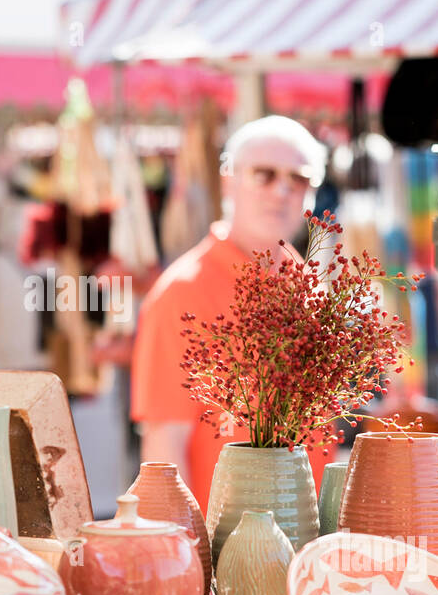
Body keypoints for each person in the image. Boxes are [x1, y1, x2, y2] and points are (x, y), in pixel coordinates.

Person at [130, 115, 328, 510]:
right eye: (264, 174)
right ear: (228, 180)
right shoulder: (182, 292)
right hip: (223, 555)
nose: (282, 191)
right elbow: (163, 450)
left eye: (299, 178)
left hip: (307, 548)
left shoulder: (311, 292)